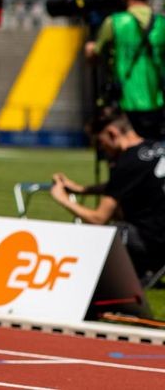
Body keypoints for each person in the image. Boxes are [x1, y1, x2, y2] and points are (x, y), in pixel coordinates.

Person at [51, 107, 165, 284]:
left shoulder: (127, 162)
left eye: (100, 143)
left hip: (152, 243)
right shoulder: (156, 148)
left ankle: (140, 272)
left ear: (111, 133)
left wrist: (63, 200)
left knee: (107, 234)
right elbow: (127, 184)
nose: (102, 149)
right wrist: (83, 189)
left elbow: (98, 218)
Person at [85, 0, 165, 140]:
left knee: (125, 160)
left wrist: (90, 49)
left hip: (124, 106)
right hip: (156, 104)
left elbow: (95, 57)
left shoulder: (115, 22)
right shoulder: (161, 24)